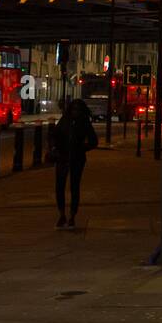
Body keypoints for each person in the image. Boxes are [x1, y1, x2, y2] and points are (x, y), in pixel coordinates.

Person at [52, 98, 99, 228]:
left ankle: (72, 215)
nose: (75, 112)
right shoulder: (65, 120)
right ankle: (62, 215)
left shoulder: (83, 123)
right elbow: (55, 135)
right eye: (74, 109)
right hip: (63, 157)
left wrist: (81, 148)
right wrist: (55, 148)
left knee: (74, 186)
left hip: (76, 158)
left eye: (78, 110)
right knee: (60, 187)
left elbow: (93, 141)